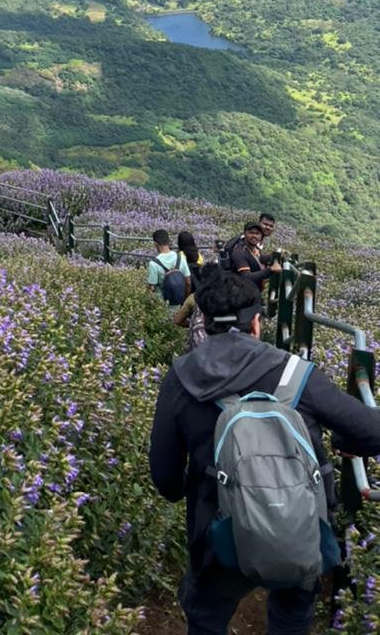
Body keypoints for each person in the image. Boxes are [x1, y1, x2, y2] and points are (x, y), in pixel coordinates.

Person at [150, 270, 380, 635]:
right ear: (256, 322)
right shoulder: (295, 374)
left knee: (206, 616)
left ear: (203, 323)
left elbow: (165, 477)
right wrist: (341, 443)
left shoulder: (180, 378)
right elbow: (371, 432)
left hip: (217, 534)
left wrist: (190, 488)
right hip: (299, 528)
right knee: (292, 611)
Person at [230, 222, 281, 292]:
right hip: (242, 295)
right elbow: (246, 277)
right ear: (244, 234)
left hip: (253, 292)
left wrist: (274, 256)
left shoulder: (254, 248)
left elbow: (258, 259)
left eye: (257, 234)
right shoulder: (239, 252)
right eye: (251, 233)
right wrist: (270, 270)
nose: (254, 236)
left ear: (261, 236)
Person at [147, 229, 190, 306]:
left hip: (162, 305)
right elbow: (188, 282)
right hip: (178, 303)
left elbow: (151, 288)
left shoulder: (153, 264)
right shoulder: (181, 258)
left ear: (155, 243)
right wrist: (184, 300)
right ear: (168, 241)